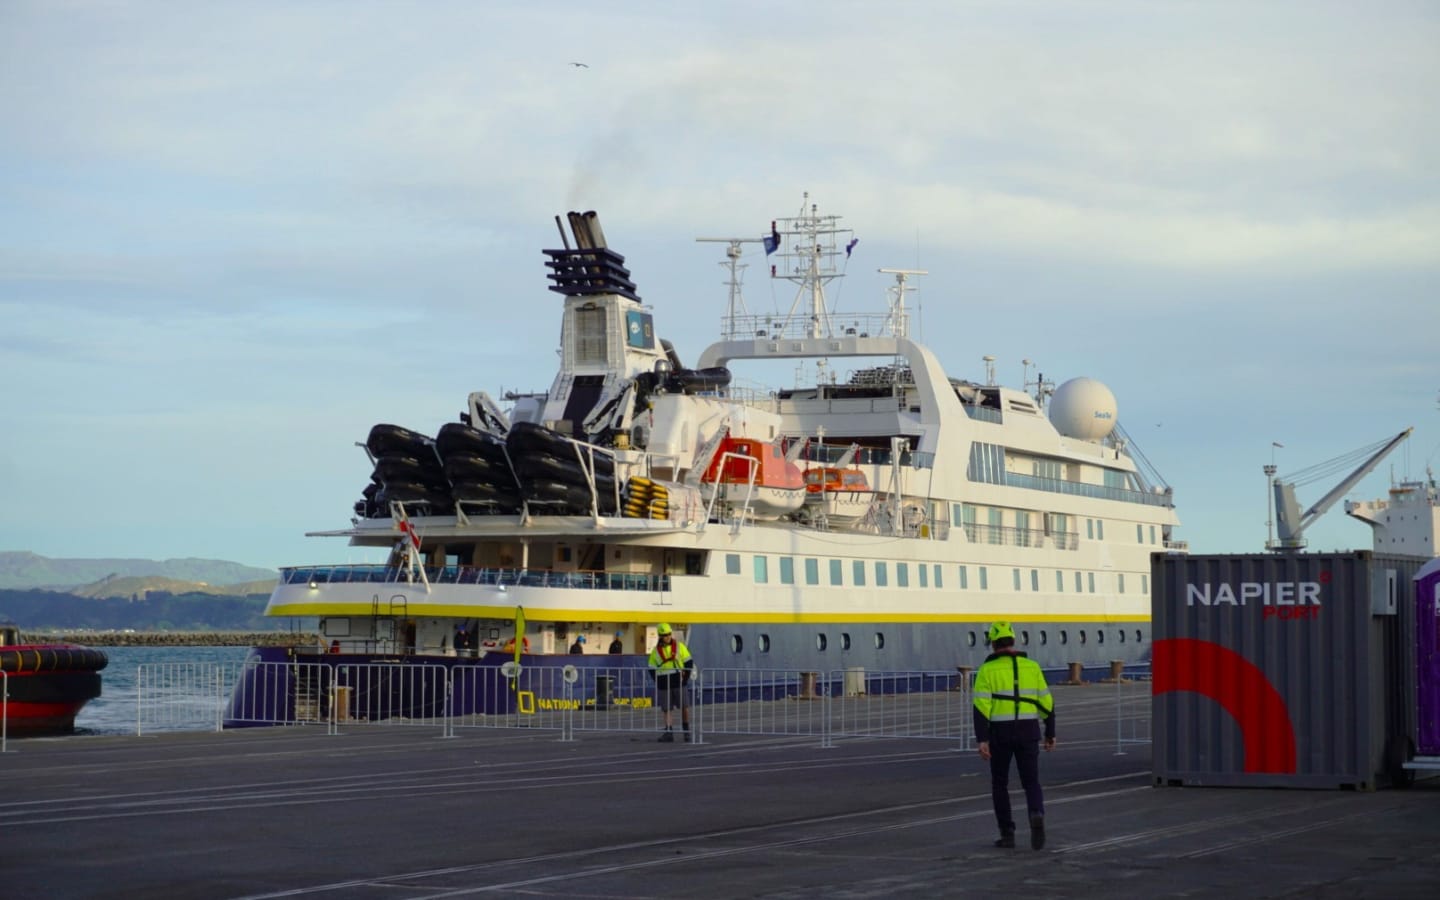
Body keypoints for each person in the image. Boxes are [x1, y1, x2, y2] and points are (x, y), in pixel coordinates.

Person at [973, 620, 1056, 850]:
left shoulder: (987, 670)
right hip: (1029, 731)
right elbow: (1047, 703)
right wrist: (1050, 732)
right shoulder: (1032, 666)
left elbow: (981, 707)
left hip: (1000, 734)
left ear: (993, 644)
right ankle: (1036, 813)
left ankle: (1007, 834)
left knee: (1000, 784)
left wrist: (982, 739)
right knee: (1031, 782)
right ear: (1013, 641)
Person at [647, 622, 694, 742]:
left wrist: (685, 678)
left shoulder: (679, 646)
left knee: (684, 707)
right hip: (664, 683)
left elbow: (688, 662)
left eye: (668, 634)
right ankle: (669, 732)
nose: (667, 637)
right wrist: (658, 681)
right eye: (664, 635)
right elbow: (651, 668)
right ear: (660, 636)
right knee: (667, 709)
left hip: (678, 681)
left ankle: (686, 731)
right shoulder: (655, 652)